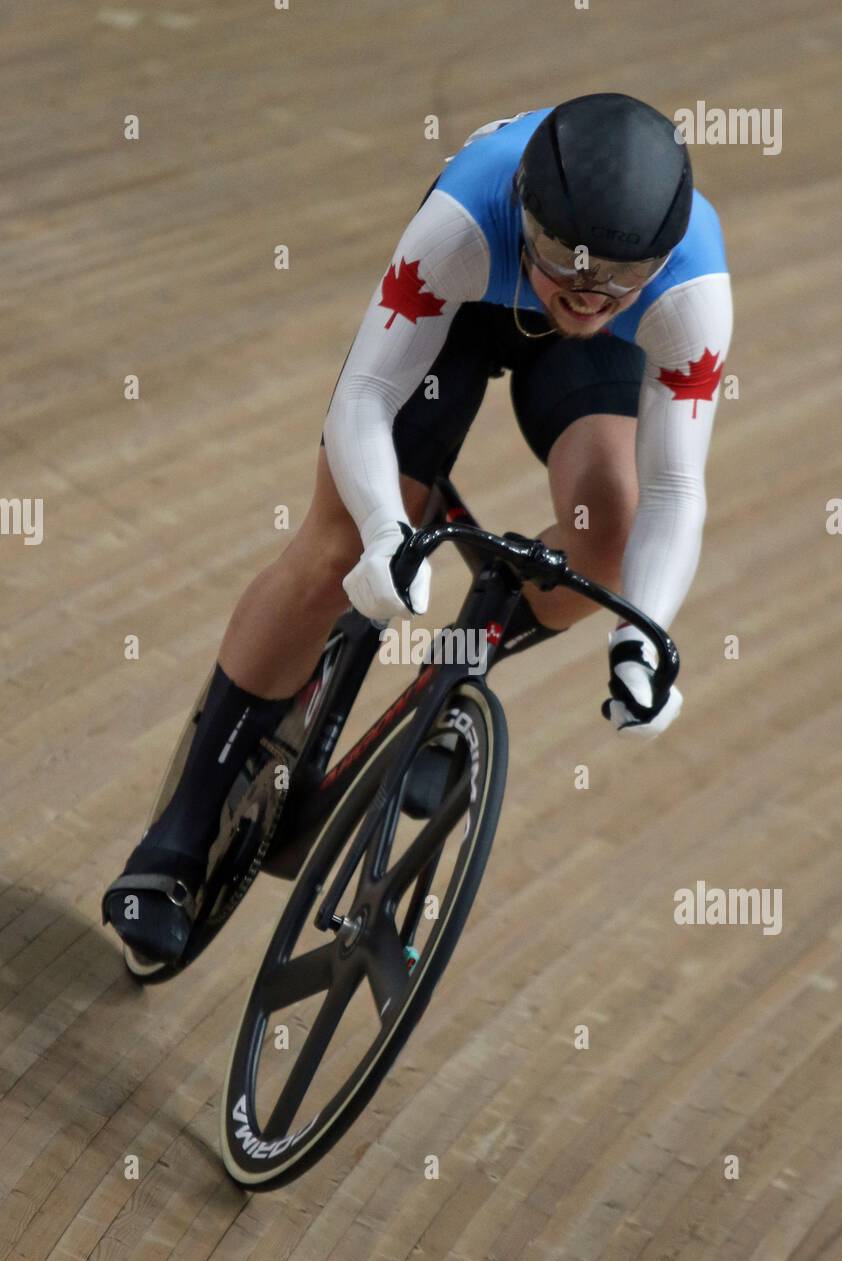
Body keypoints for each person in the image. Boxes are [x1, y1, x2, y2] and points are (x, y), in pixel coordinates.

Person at [104, 92, 733, 963]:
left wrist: (644, 638)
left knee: (614, 536)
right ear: (525, 210)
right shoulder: (463, 222)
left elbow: (675, 486)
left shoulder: (689, 292)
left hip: (581, 352)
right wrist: (380, 527)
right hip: (470, 309)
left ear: (659, 261)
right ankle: (180, 829)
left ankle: (465, 656)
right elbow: (366, 394)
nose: (587, 296)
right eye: (563, 262)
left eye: (618, 281)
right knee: (334, 553)